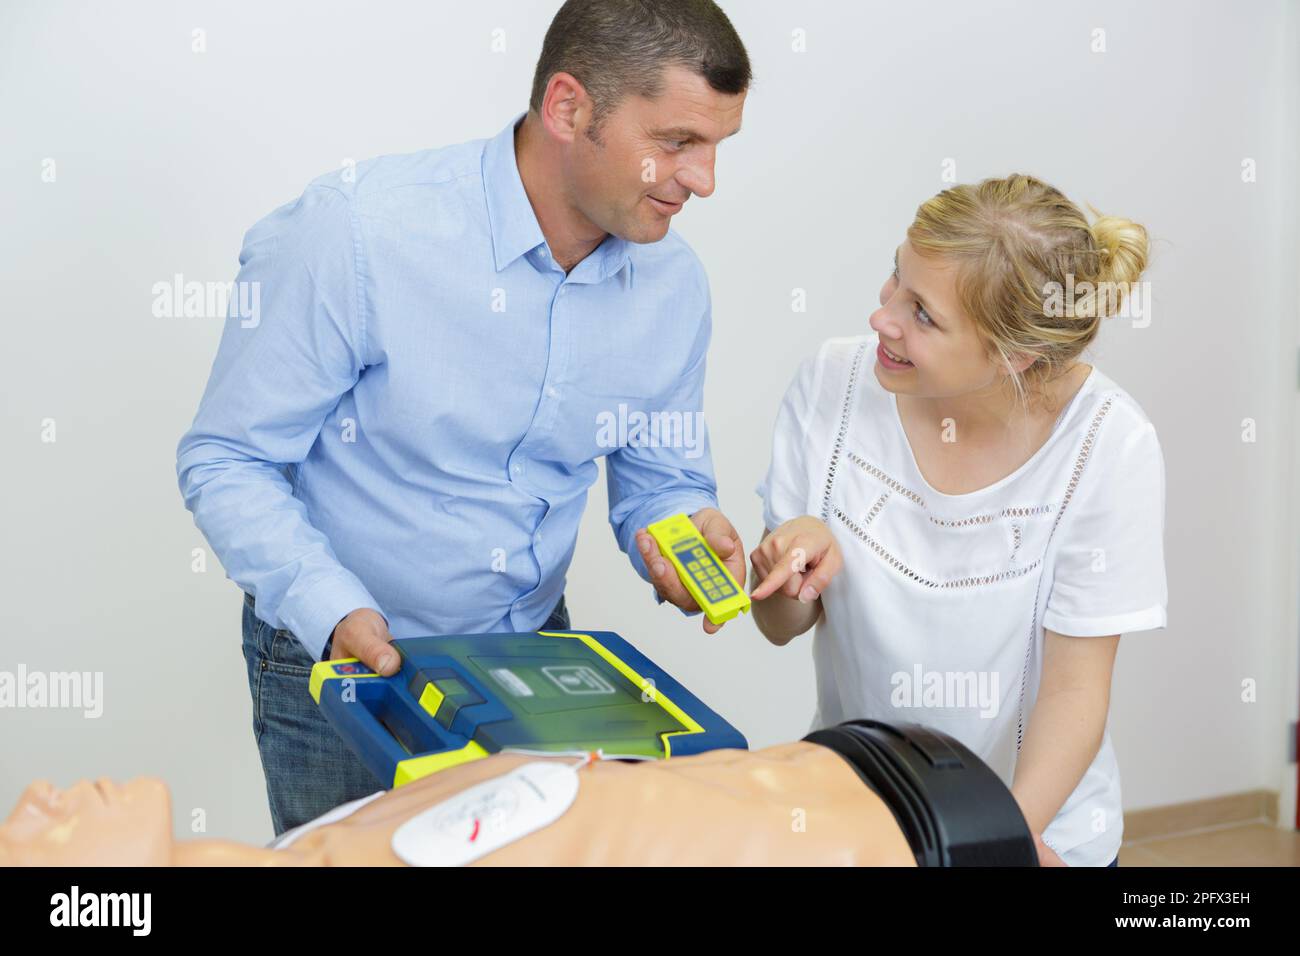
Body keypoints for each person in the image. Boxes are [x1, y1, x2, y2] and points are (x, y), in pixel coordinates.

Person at [176, 0, 750, 835]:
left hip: (533, 654)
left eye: (716, 148)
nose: (704, 181)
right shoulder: (360, 232)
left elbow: (660, 480)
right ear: (567, 108)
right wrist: (333, 609)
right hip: (341, 655)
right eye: (676, 143)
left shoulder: (674, 285)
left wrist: (678, 531)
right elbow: (228, 458)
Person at [749, 174, 1168, 867]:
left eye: (924, 315)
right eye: (895, 280)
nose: (884, 317)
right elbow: (778, 628)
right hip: (861, 815)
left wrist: (1001, 843)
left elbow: (1075, 690)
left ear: (1015, 356)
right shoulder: (832, 384)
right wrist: (788, 573)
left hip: (1031, 829)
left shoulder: (1109, 444)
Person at [0, 721, 1038, 867]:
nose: (35, 794)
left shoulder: (310, 847)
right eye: (24, 835)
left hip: (881, 759)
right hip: (940, 843)